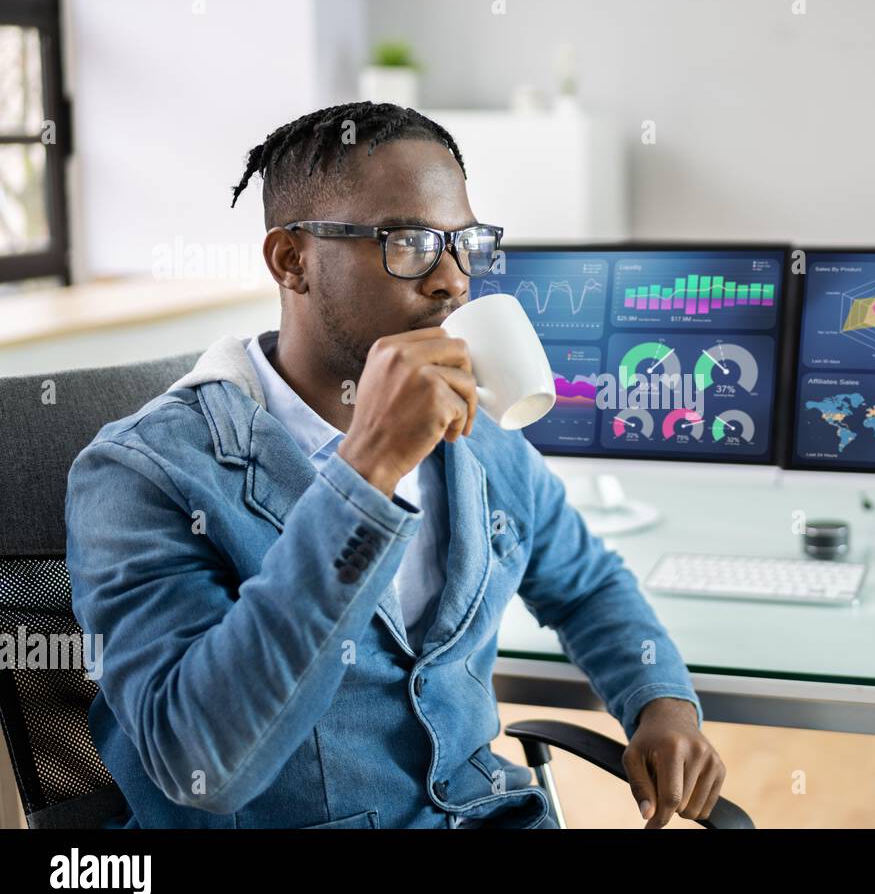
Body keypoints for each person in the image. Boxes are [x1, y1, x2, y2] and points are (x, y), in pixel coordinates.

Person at [65, 102, 724, 829]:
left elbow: (586, 582)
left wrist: (660, 702)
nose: (452, 280)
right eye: (407, 242)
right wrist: (367, 470)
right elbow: (200, 762)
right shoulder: (143, 476)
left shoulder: (478, 434)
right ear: (292, 260)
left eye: (464, 242)